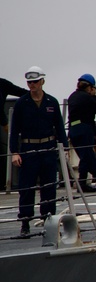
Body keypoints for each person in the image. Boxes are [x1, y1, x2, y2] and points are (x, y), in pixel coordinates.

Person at [9, 66, 68, 237]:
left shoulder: (51, 102)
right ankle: (25, 223)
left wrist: (64, 148)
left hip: (48, 149)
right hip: (29, 149)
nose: (32, 84)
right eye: (29, 82)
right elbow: (15, 130)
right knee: (26, 187)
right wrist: (15, 152)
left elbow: (59, 127)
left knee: (49, 187)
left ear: (42, 81)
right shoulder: (22, 103)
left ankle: (48, 221)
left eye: (35, 81)